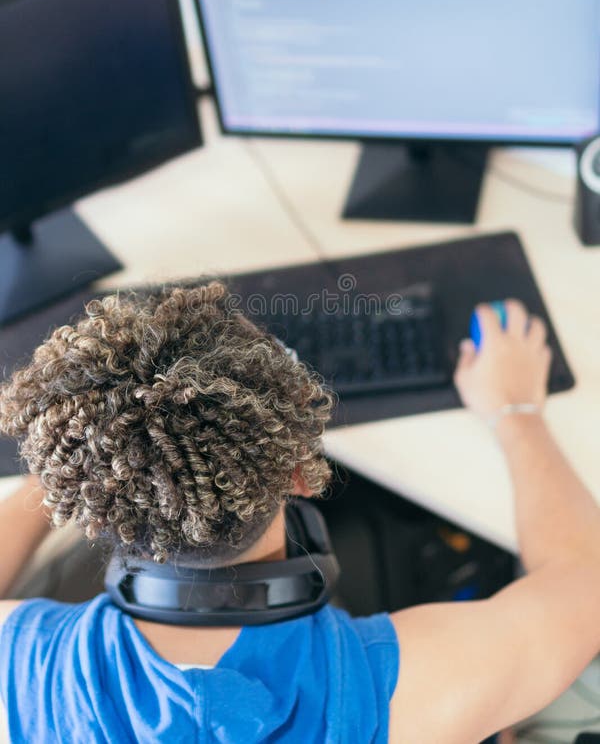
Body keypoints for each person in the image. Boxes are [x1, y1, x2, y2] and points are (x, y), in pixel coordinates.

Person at [0, 283, 599, 743]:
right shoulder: (408, 685)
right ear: (300, 471)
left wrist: (81, 452)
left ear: (88, 511)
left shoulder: (25, 672)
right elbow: (583, 580)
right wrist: (517, 410)